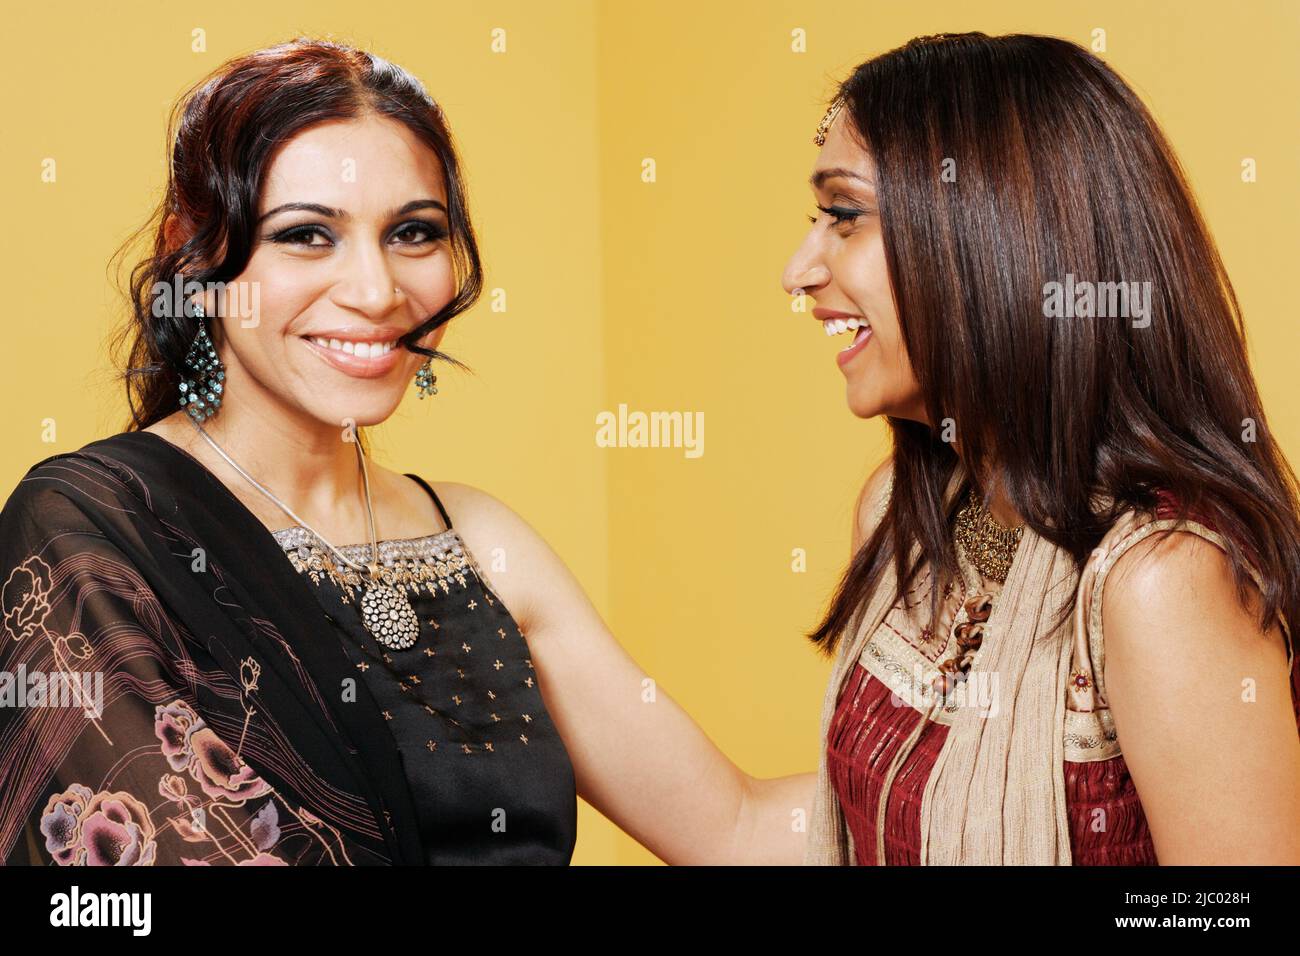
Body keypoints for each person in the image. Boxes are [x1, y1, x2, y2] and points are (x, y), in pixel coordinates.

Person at [0, 37, 812, 866]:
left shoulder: (482, 538)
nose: (377, 290)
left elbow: (738, 831)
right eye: (309, 235)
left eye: (413, 233)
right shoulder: (94, 528)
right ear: (198, 253)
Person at [783, 32, 1300, 865]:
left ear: (993, 235)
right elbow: (875, 822)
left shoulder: (1160, 581)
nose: (799, 269)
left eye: (843, 216)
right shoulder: (911, 514)